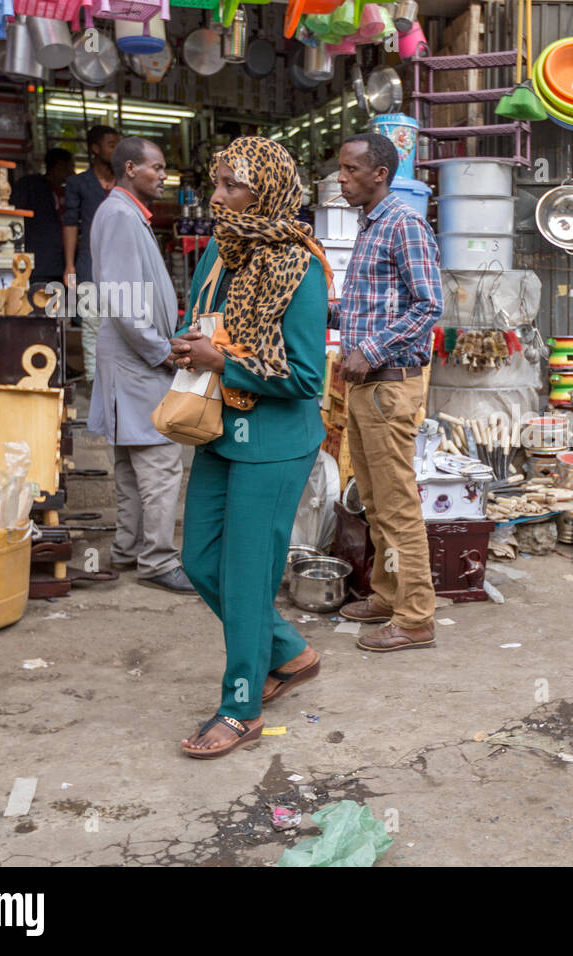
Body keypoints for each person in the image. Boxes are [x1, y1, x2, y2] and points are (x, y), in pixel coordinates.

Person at [169, 137, 331, 759]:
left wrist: (224, 363)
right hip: (218, 431)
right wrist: (189, 347)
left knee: (245, 579)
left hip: (274, 441)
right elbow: (207, 322)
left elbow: (307, 376)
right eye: (217, 183)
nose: (217, 196)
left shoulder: (299, 264)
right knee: (199, 560)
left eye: (232, 186)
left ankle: (240, 707)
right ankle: (290, 652)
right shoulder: (219, 249)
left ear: (264, 190)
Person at [334, 132, 443, 652]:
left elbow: (428, 305)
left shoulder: (403, 224)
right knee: (374, 501)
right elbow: (369, 306)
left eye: (352, 169)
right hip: (364, 387)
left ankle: (417, 616)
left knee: (397, 504)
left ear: (380, 174)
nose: (342, 177)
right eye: (341, 168)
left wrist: (371, 350)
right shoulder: (369, 226)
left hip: (388, 384)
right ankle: (386, 594)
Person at [87, 137, 194, 595]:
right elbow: (122, 300)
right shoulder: (119, 215)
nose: (163, 174)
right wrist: (162, 350)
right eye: (157, 166)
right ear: (130, 168)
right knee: (161, 464)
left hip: (135, 361)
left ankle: (128, 550)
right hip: (138, 363)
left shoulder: (127, 214)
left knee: (133, 468)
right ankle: (157, 560)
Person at [64, 125, 121, 382]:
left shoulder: (124, 183)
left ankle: (118, 382)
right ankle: (94, 382)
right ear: (95, 149)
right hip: (88, 263)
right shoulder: (79, 183)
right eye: (111, 144)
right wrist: (69, 266)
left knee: (122, 322)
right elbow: (70, 224)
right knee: (91, 326)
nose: (116, 149)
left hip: (121, 265)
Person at [11, 147, 75, 286]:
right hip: (38, 263)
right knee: (38, 302)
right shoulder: (30, 186)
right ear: (59, 166)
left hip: (62, 264)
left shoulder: (67, 192)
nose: (72, 172)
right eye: (70, 167)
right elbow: (15, 215)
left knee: (61, 304)